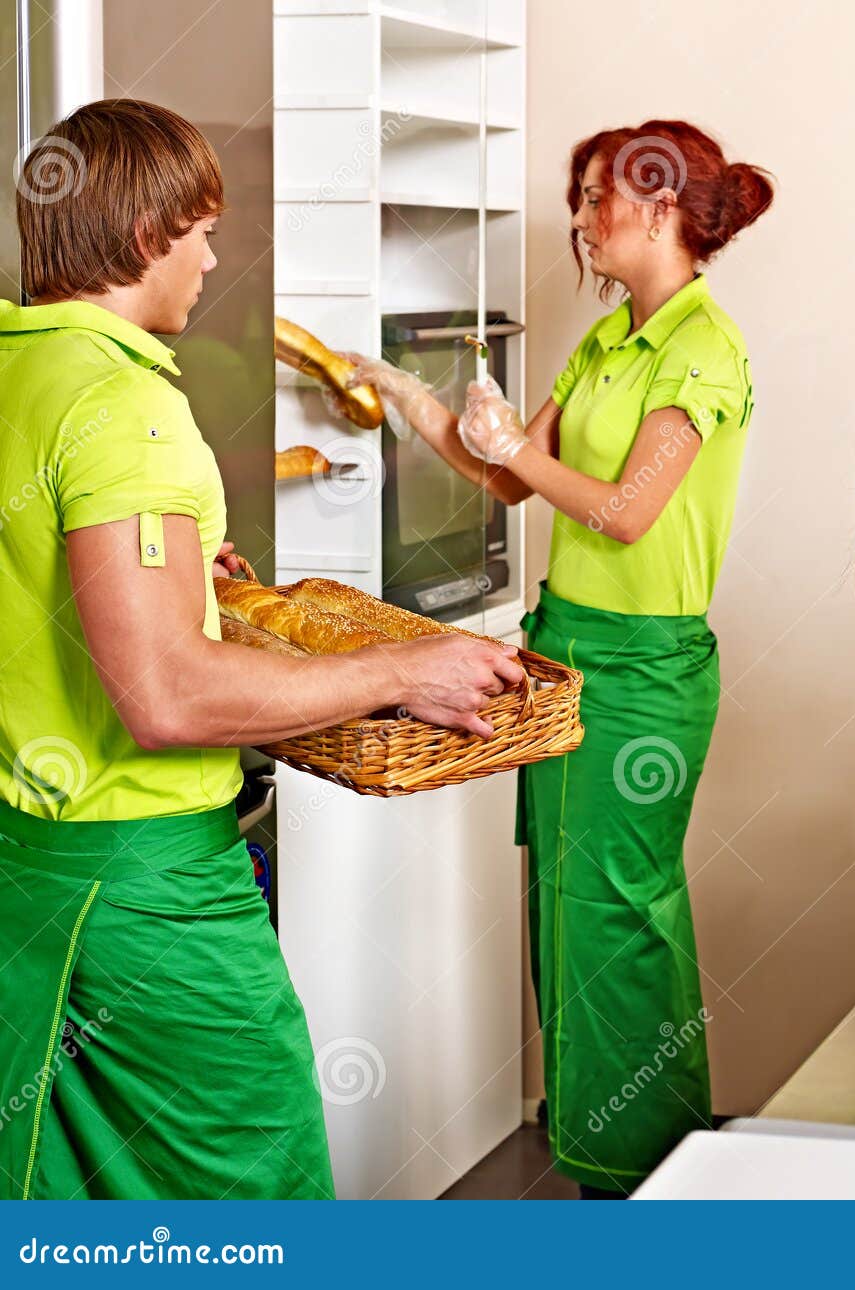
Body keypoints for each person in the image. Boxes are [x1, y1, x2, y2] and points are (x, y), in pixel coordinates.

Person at [0, 99, 524, 1199]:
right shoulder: (121, 404)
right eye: (199, 228)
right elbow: (163, 696)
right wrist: (401, 669)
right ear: (145, 235)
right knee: (258, 1184)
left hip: (32, 872)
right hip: (146, 890)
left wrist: (178, 576)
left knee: (73, 1201)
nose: (211, 255)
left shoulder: (19, 375)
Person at [345, 120, 773, 1196]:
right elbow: (506, 479)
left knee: (621, 915)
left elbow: (628, 512)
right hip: (568, 653)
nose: (579, 220)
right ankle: (607, 1168)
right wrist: (408, 396)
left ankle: (648, 1173)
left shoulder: (701, 347)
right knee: (577, 914)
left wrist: (520, 452)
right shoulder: (607, 342)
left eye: (593, 199)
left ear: (660, 202)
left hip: (644, 671)